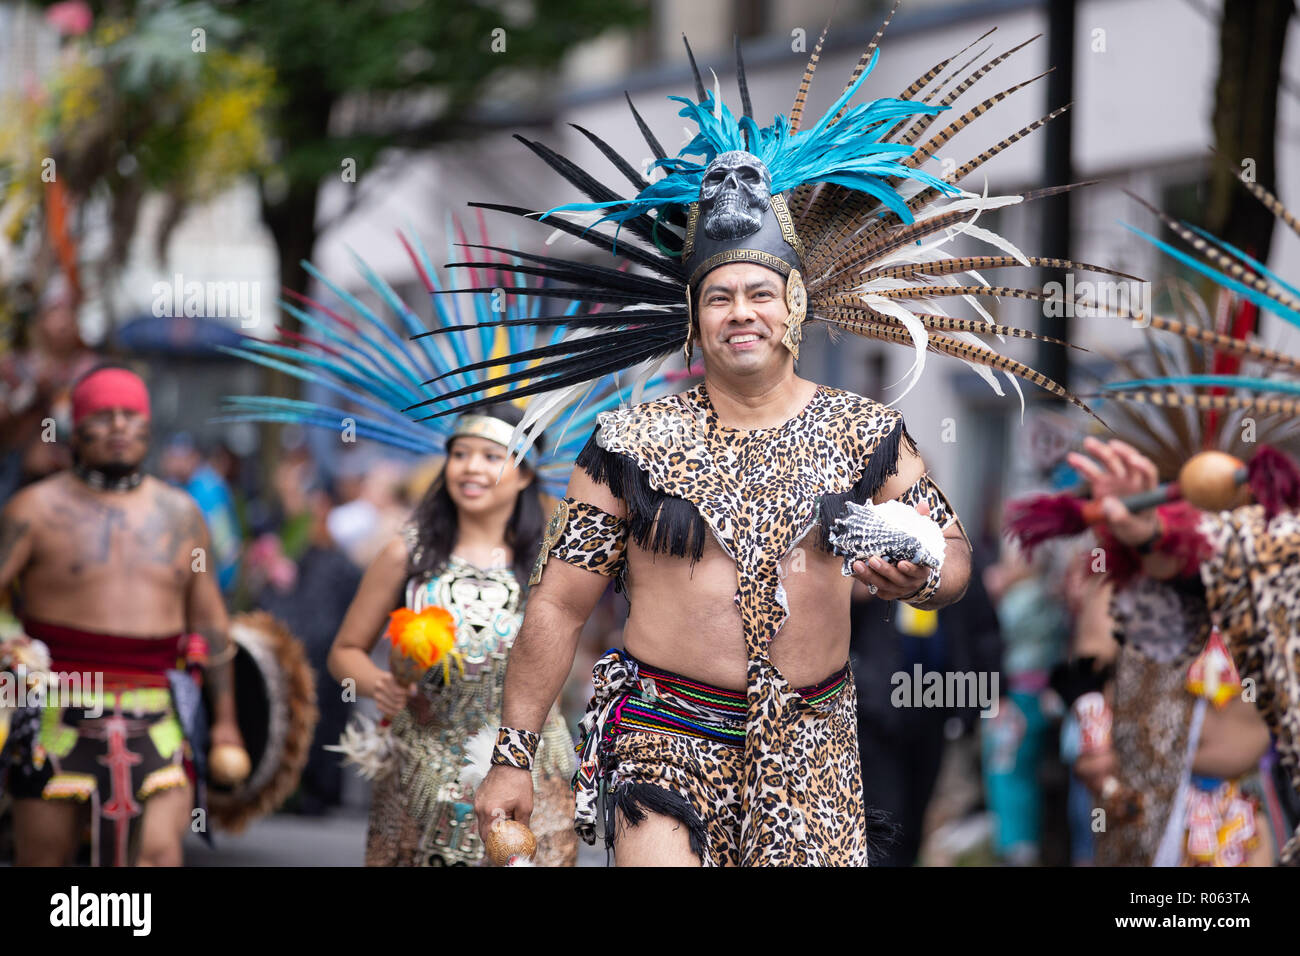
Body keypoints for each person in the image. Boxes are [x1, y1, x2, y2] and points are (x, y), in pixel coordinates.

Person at [444, 21, 1122, 866]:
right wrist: (513, 756)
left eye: (760, 292)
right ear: (693, 318)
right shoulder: (627, 440)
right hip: (664, 738)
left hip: (814, 746)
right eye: (718, 295)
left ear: (796, 306)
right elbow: (558, 603)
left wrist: (918, 574)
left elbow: (951, 556)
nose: (740, 312)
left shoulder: (865, 431)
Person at [0, 365, 242, 866]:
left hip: (158, 713)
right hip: (54, 711)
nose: (117, 427)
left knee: (157, 855)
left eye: (130, 415)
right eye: (103, 415)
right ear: (76, 428)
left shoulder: (182, 515)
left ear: (147, 426)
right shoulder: (33, 510)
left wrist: (225, 726)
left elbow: (211, 624)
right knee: (44, 861)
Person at [325, 404, 578, 866]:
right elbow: (344, 652)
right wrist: (378, 684)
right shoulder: (407, 553)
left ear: (524, 476)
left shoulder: (555, 560)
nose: (471, 468)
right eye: (460, 454)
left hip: (529, 767)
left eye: (490, 456)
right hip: (423, 770)